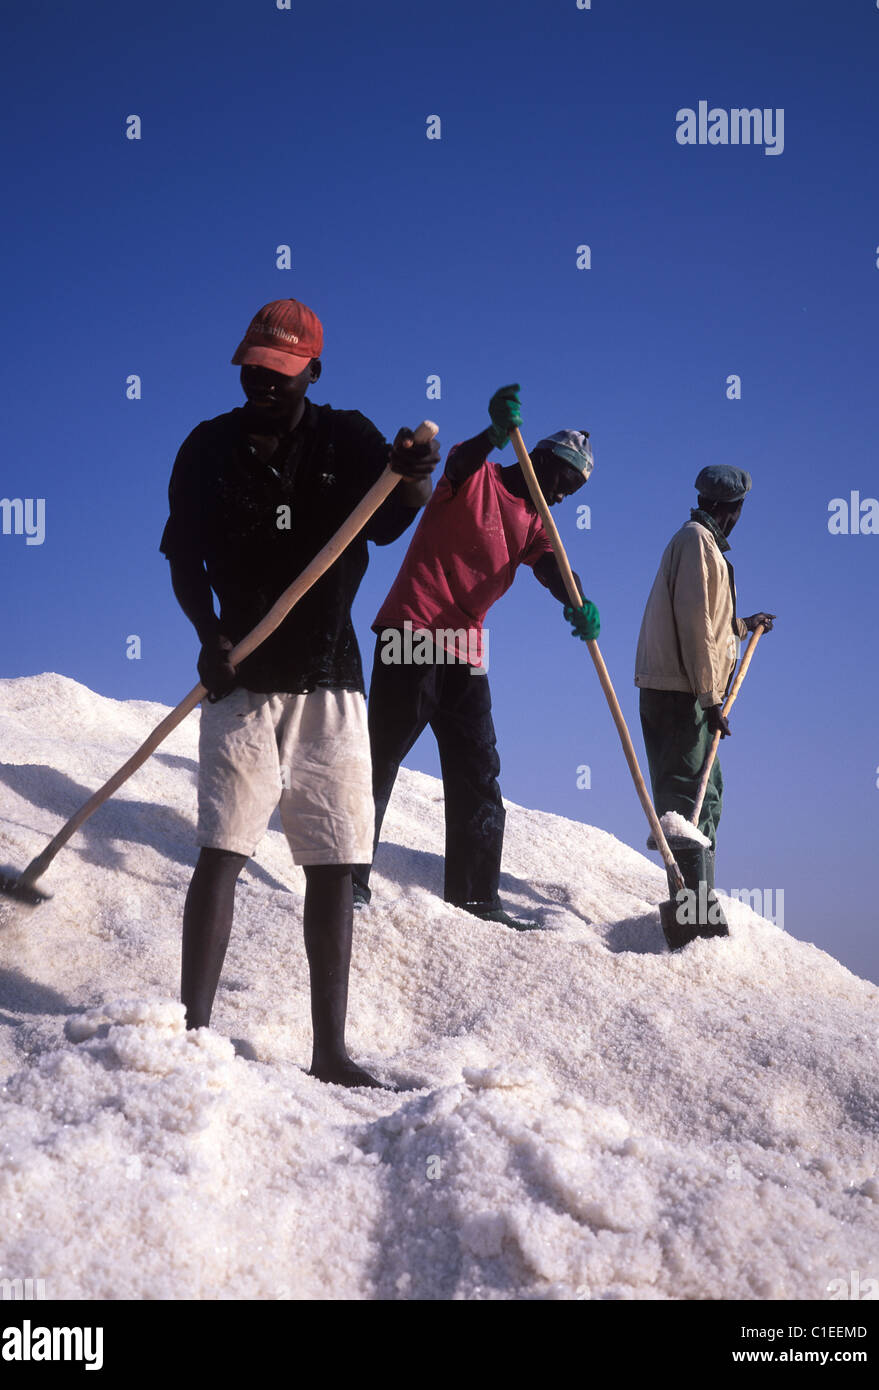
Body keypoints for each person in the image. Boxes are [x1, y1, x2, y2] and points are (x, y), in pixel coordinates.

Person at [159, 298, 439, 1087]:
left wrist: (412, 474)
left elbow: (397, 507)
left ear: (311, 372)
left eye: (281, 373)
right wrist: (208, 634)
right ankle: (191, 1033)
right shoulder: (207, 448)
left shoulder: (345, 438)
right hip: (241, 679)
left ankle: (330, 1051)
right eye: (254, 368)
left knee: (333, 860)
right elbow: (182, 558)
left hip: (328, 679)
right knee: (223, 848)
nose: (264, 384)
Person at [352, 384, 598, 929]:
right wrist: (492, 433)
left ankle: (475, 897)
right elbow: (462, 458)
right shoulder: (475, 478)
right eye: (560, 482)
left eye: (572, 493)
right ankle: (347, 880)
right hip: (411, 629)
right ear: (536, 459)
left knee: (478, 772)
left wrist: (578, 601)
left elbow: (556, 568)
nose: (560, 497)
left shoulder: (538, 524)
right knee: (381, 754)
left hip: (465, 648)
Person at [634, 465, 776, 939]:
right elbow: (695, 629)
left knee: (707, 795)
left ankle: (699, 901)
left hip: (691, 692)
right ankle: (690, 914)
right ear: (729, 508)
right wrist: (710, 699)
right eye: (739, 510)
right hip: (681, 695)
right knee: (686, 798)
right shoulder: (696, 541)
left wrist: (742, 624)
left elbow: (711, 625)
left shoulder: (706, 546)